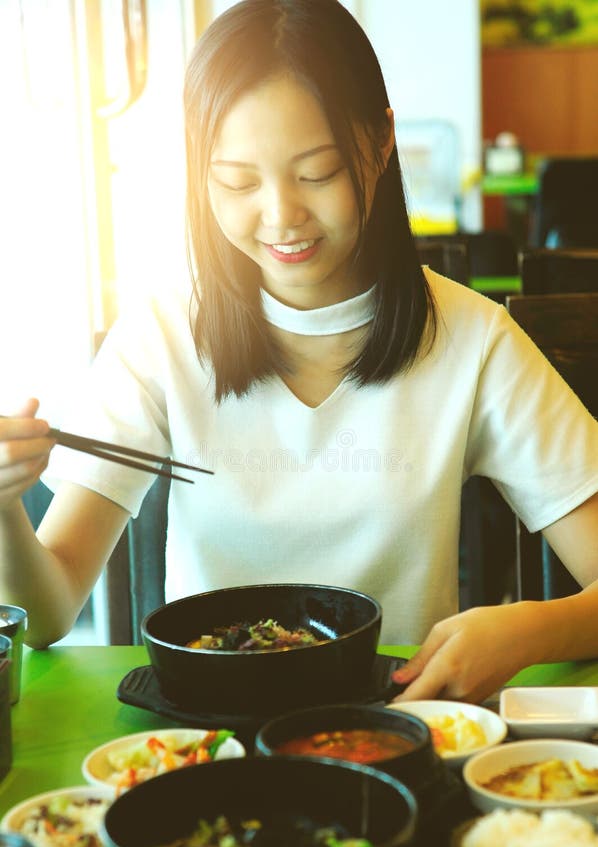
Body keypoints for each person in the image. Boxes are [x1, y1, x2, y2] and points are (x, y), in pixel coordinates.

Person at [1, 0, 597, 703]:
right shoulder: (162, 337)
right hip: (206, 743)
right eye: (238, 182)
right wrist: (6, 506)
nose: (281, 214)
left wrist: (527, 629)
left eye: (316, 173)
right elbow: (46, 617)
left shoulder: (472, 340)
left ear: (380, 144)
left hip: (394, 737)